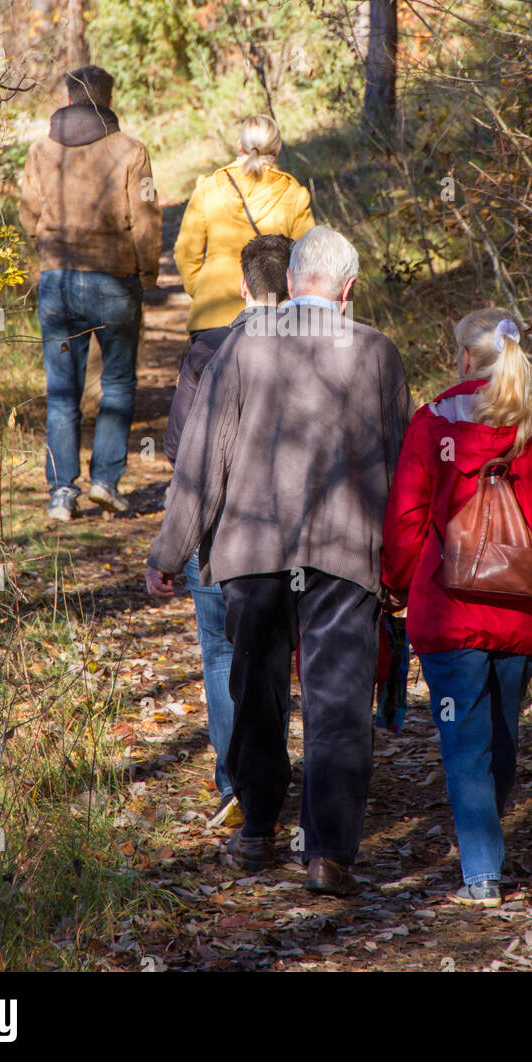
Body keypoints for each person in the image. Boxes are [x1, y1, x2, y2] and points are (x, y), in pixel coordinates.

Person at [146, 226, 411, 897]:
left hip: (252, 552)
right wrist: (400, 570)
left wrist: (170, 551)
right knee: (339, 702)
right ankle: (327, 854)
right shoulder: (377, 352)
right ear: (348, 290)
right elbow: (402, 474)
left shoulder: (240, 347)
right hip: (345, 555)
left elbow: (204, 459)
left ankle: (257, 830)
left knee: (257, 692)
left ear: (292, 281)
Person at [381, 307, 532, 907]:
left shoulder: (433, 422)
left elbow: (405, 517)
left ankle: (481, 870)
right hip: (523, 616)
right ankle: (486, 852)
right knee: (503, 738)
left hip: (448, 615)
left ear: (462, 357)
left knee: (464, 743)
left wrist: (395, 582)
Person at [162, 234, 294, 829]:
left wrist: (170, 548)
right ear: (294, 284)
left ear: (243, 286)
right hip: (292, 538)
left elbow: (179, 449)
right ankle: (279, 778)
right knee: (284, 657)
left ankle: (234, 780)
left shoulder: (209, 352)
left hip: (218, 532)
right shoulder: (323, 352)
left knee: (221, 652)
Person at [20, 66, 162, 521]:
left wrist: (47, 247)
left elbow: (28, 215)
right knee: (117, 382)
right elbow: (146, 216)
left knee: (63, 392)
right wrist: (149, 271)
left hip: (58, 281)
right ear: (108, 98)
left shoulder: (41, 150)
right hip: (114, 281)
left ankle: (62, 492)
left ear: (67, 98)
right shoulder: (132, 151)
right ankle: (105, 480)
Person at [173, 113, 315, 344]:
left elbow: (186, 252)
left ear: (239, 145)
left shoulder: (210, 187)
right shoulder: (293, 193)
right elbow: (307, 258)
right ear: (277, 150)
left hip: (211, 313)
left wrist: (201, 289)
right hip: (272, 316)